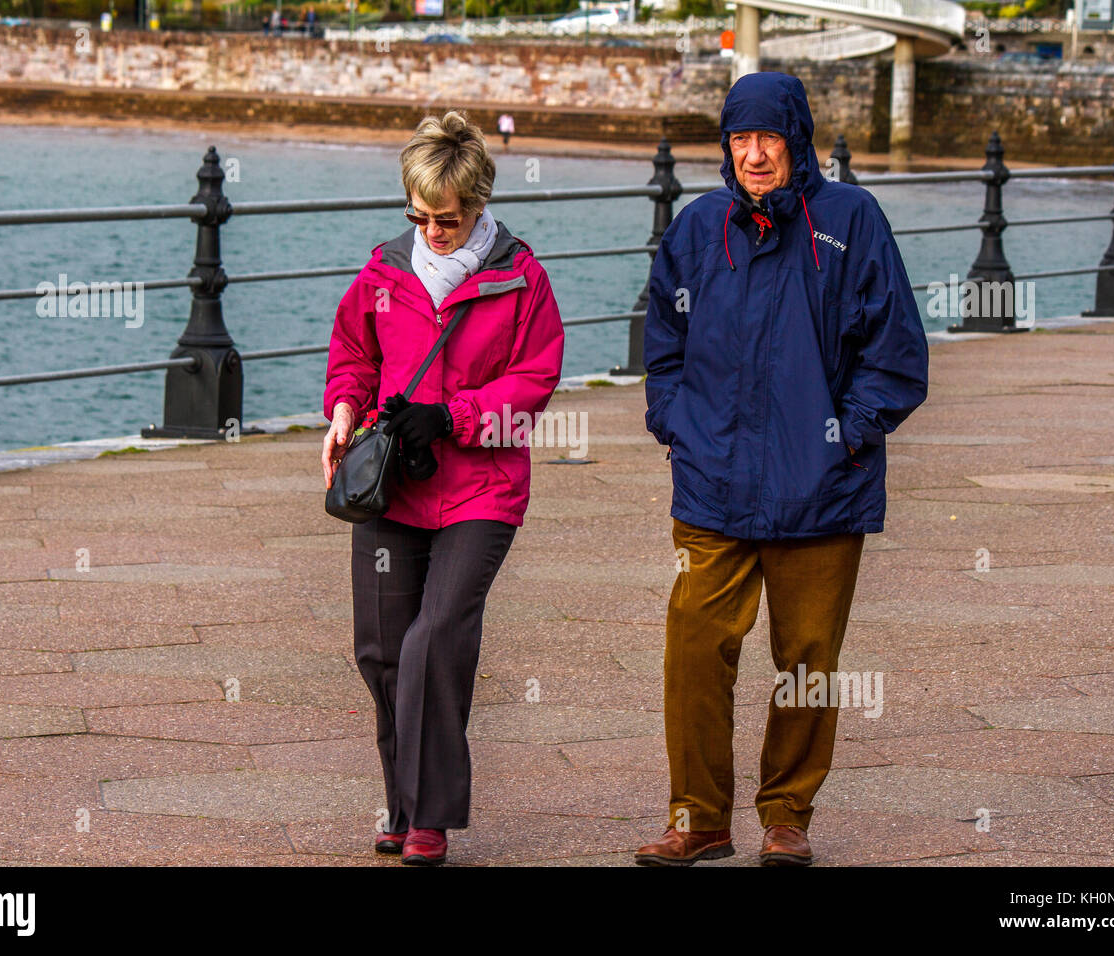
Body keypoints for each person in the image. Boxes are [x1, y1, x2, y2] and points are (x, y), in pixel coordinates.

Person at [635, 72, 929, 867]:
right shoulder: (699, 229)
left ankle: (786, 814)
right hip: (711, 484)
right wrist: (674, 421)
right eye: (740, 139)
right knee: (693, 650)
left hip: (823, 490)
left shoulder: (851, 220)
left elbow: (897, 355)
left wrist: (849, 437)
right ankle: (698, 816)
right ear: (726, 145)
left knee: (807, 663)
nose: (754, 154)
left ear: (797, 140)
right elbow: (659, 340)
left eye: (769, 138)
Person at [323, 110, 565, 866]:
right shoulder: (382, 273)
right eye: (419, 216)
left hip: (482, 489)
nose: (432, 231)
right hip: (393, 486)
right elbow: (353, 357)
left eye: (448, 220)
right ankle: (400, 806)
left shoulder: (522, 278)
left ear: (479, 205)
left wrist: (452, 416)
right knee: (384, 651)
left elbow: (536, 378)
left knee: (434, 638)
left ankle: (429, 819)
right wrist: (342, 413)